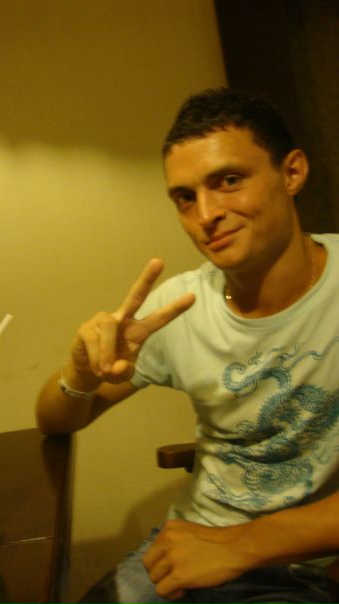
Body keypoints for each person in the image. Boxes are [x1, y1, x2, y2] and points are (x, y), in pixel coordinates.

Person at [36, 88, 339, 604]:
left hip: (301, 565)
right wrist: (80, 373)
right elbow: (54, 420)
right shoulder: (179, 305)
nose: (206, 214)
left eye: (229, 181)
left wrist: (240, 546)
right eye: (185, 197)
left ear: (291, 173)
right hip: (189, 544)